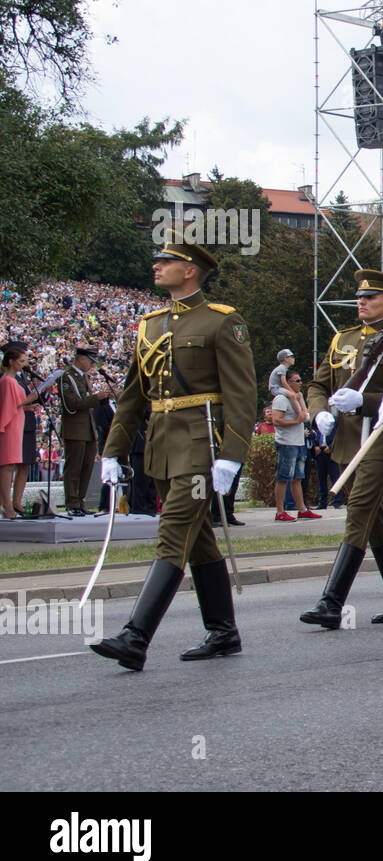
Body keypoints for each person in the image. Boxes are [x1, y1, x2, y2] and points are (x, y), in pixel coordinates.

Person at [92, 236, 256, 671]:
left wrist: (232, 454)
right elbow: (133, 394)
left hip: (202, 447)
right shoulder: (151, 324)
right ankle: (223, 631)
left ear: (190, 271)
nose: (156, 266)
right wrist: (114, 450)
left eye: (166, 261)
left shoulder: (222, 321)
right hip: (164, 444)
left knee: (173, 531)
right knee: (198, 540)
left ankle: (136, 635)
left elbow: (242, 394)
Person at [301, 269, 383, 629]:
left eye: (370, 298)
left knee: (358, 516)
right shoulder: (342, 339)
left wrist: (365, 401)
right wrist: (319, 413)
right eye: (359, 297)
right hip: (346, 443)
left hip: (378, 440)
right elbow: (318, 383)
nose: (362, 302)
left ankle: (331, 602)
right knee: (373, 520)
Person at [59, 347, 109, 515]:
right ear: (80, 358)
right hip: (74, 429)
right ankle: (72, 503)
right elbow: (72, 404)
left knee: (86, 467)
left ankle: (80, 501)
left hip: (88, 428)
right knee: (74, 467)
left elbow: (86, 402)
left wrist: (102, 399)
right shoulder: (67, 378)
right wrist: (96, 398)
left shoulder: (82, 377)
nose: (91, 364)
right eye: (90, 360)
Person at [271, 371, 318, 522]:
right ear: (287, 382)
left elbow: (306, 416)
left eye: (300, 380)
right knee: (283, 477)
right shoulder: (281, 399)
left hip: (299, 442)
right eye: (296, 380)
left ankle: (302, 509)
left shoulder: (297, 397)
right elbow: (276, 420)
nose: (300, 383)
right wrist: (295, 422)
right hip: (286, 443)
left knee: (298, 477)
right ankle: (280, 511)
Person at [1, 346, 41, 518]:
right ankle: (7, 506)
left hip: (17, 424)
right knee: (7, 466)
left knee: (11, 465)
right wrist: (29, 399)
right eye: (21, 361)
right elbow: (9, 405)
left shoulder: (14, 380)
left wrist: (26, 406)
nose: (24, 365)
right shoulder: (7, 381)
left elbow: (15, 405)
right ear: (11, 362)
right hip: (9, 426)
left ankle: (9, 504)